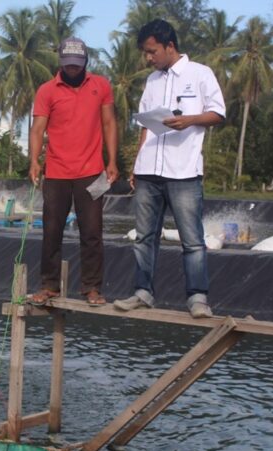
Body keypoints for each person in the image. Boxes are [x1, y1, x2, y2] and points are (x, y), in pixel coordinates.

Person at [113, 19, 225, 319]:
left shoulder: (200, 74)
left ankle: (197, 298)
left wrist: (188, 120)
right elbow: (145, 126)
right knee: (144, 237)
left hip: (184, 171)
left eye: (152, 52)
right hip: (149, 169)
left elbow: (218, 113)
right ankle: (143, 292)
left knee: (192, 239)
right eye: (145, 53)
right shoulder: (152, 81)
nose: (148, 58)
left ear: (169, 46)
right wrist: (137, 163)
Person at [27, 36, 118, 307]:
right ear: (61, 63)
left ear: (85, 62)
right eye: (68, 65)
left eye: (77, 65)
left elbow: (110, 123)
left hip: (92, 172)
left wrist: (112, 161)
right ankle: (49, 285)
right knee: (51, 231)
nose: (73, 69)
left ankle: (91, 288)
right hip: (56, 172)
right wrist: (34, 160)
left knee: (92, 232)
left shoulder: (100, 86)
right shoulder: (47, 90)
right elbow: (37, 129)